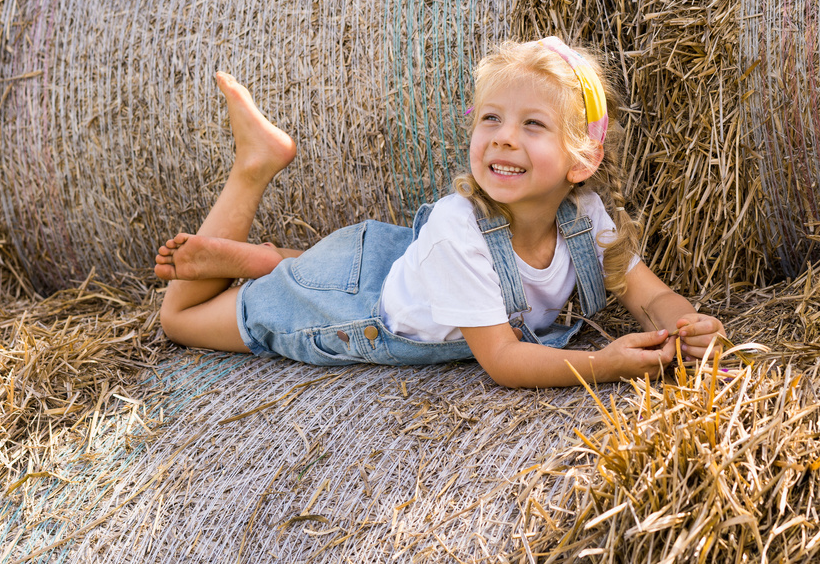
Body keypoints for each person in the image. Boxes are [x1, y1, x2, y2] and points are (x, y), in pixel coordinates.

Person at [154, 38, 726, 388]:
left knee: (394, 266)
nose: (503, 138)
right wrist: (604, 364)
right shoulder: (459, 230)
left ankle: (265, 259)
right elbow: (501, 360)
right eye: (490, 119)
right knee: (179, 318)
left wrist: (685, 325)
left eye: (532, 124)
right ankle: (254, 166)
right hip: (350, 304)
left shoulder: (584, 215)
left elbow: (648, 295)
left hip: (392, 261)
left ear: (583, 159)